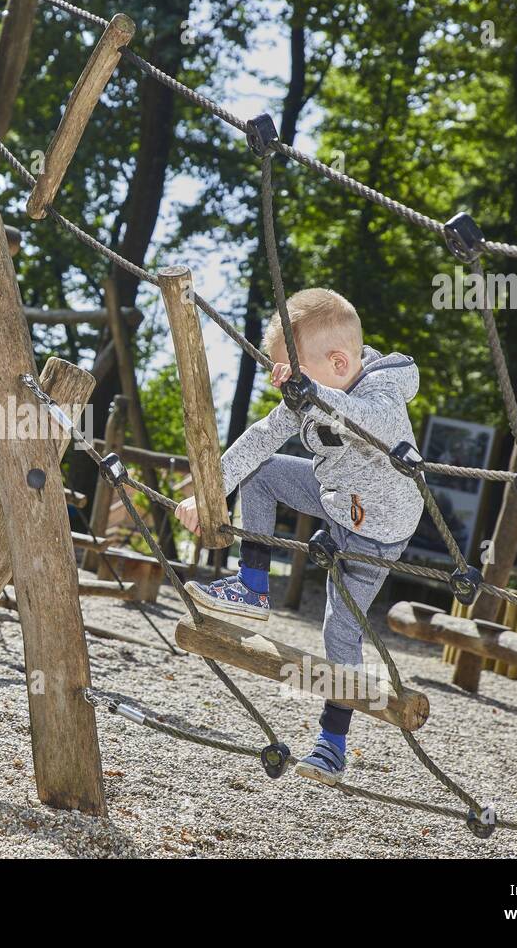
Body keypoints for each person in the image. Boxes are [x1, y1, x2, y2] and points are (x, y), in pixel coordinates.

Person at [173, 288, 423, 785]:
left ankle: (331, 745)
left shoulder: (383, 390)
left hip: (378, 532)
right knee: (263, 472)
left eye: (286, 370)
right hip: (335, 502)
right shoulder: (303, 393)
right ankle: (253, 582)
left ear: (337, 362)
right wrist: (209, 493)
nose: (277, 380)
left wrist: (312, 390)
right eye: (278, 370)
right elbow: (262, 436)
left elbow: (377, 427)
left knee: (339, 629)